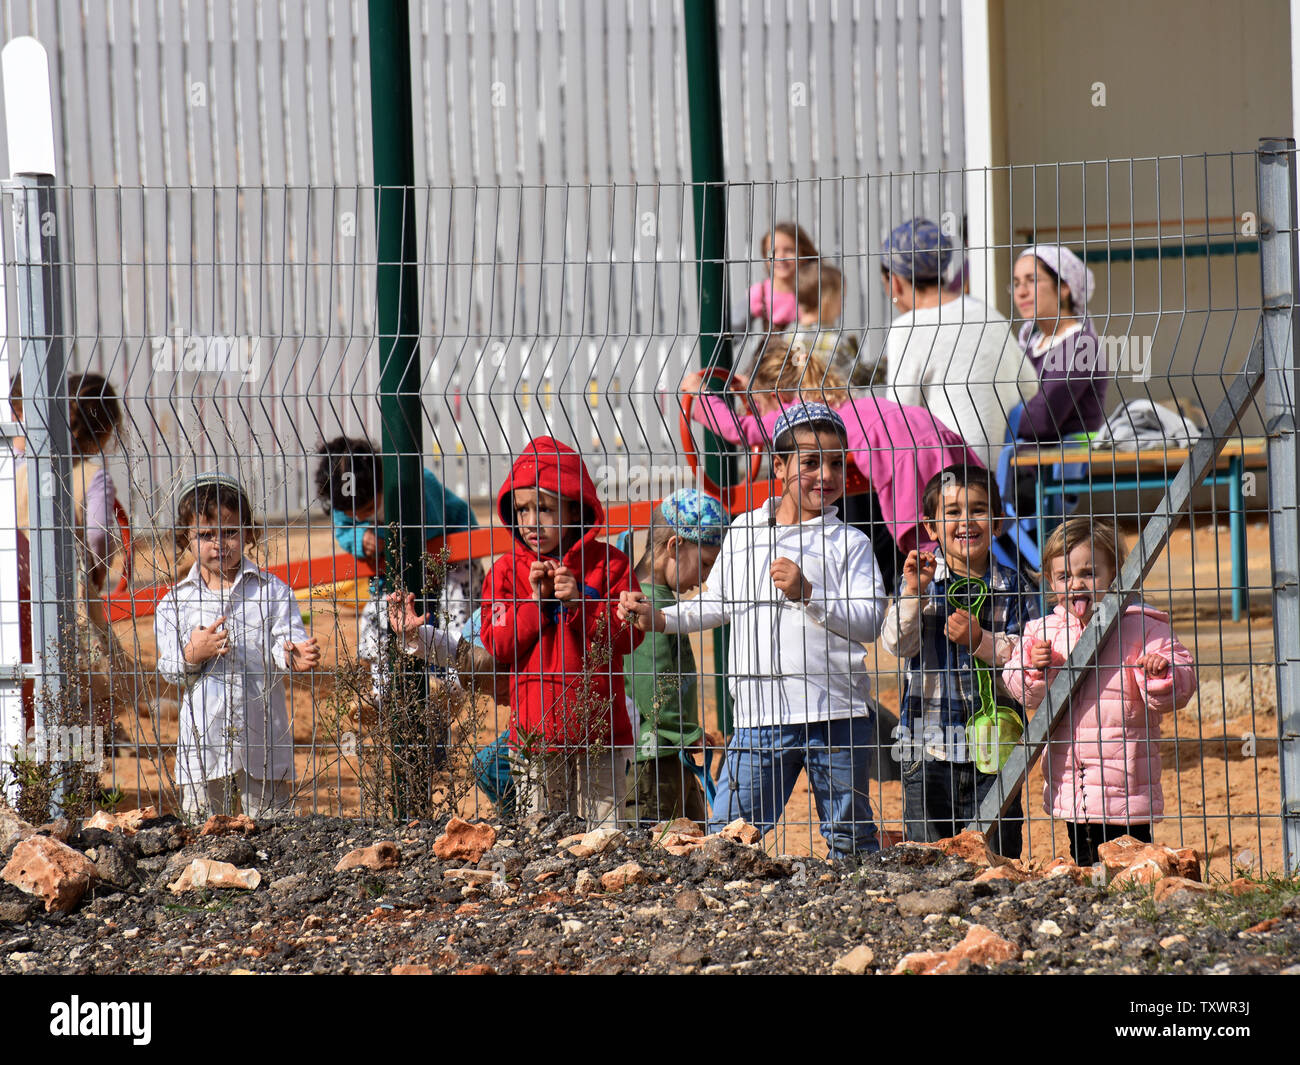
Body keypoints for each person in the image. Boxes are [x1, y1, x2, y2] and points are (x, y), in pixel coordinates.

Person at [621, 403, 886, 858]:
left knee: (850, 837)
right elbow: (718, 602)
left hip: (837, 716)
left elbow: (870, 620)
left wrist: (809, 594)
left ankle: (856, 913)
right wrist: (660, 618)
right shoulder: (744, 533)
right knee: (729, 838)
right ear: (779, 466)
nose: (826, 474)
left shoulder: (851, 543)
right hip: (759, 718)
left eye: (837, 463)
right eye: (810, 462)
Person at [684, 337, 983, 590]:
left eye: (759, 406)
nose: (758, 416)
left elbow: (742, 430)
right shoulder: (842, 402)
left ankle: (946, 596)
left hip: (905, 453)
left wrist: (699, 396)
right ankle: (990, 578)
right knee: (963, 519)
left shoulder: (803, 416)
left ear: (776, 395)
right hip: (937, 436)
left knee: (925, 537)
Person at [1001, 517, 1197, 867]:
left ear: (1116, 575)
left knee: (1133, 864)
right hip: (1075, 784)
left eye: (1089, 573)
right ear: (1050, 581)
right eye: (1064, 577)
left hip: (1128, 782)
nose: (1077, 584)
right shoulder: (1043, 632)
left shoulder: (1141, 624)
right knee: (1086, 861)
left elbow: (1182, 680)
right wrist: (1033, 667)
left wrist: (1160, 672)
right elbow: (1021, 690)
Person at [478, 436, 643, 825]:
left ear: (575, 508)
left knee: (605, 837)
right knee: (542, 840)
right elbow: (499, 644)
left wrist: (580, 604)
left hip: (601, 733)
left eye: (545, 508)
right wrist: (536, 605)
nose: (532, 522)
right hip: (536, 737)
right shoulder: (506, 572)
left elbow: (629, 637)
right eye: (522, 510)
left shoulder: (610, 564)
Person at [881, 465, 1038, 857]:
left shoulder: (1017, 586)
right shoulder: (921, 581)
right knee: (928, 858)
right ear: (930, 527)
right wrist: (913, 594)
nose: (966, 520)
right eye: (952, 513)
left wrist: (981, 641)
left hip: (996, 753)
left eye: (979, 509)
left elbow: (1028, 655)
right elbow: (896, 644)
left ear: (998, 522)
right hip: (929, 748)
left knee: (997, 855)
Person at [155, 473, 320, 819]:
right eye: (206, 535)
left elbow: (282, 644)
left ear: (249, 533)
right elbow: (170, 669)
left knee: (274, 831)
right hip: (204, 743)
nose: (219, 544)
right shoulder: (175, 603)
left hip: (262, 740)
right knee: (203, 827)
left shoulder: (271, 592)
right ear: (187, 538)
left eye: (230, 532)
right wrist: (192, 654)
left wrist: (293, 655)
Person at [15, 372, 131, 718]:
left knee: (26, 656)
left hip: (18, 582)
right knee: (88, 657)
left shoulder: (22, 467)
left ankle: (30, 726)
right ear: (107, 433)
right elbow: (97, 533)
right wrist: (93, 572)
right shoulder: (93, 474)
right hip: (68, 584)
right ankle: (90, 728)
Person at [880, 217, 1038, 468]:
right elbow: (1030, 386)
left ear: (894, 280)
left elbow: (899, 422)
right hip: (1003, 475)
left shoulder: (906, 328)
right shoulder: (986, 314)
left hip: (950, 478)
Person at [622, 488, 726, 825]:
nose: (707, 577)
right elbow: (653, 683)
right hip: (652, 761)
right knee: (661, 846)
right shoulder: (650, 605)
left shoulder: (653, 599)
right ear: (675, 546)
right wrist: (684, 732)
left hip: (663, 752)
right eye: (706, 563)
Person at [1009, 245, 1108, 443]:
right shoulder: (1029, 347)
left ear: (1064, 287)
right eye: (1016, 283)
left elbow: (1040, 420)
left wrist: (994, 417)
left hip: (1065, 470)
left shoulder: (1080, 344)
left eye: (1032, 280)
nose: (1021, 292)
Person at [786, 260, 870, 386]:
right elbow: (857, 377)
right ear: (827, 301)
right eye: (841, 298)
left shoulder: (788, 335)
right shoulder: (835, 341)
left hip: (796, 402)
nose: (844, 305)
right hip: (831, 402)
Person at [749, 222, 818, 331]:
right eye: (773, 252)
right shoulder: (759, 292)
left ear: (805, 254)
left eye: (789, 250)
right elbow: (731, 327)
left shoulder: (816, 291)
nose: (780, 257)